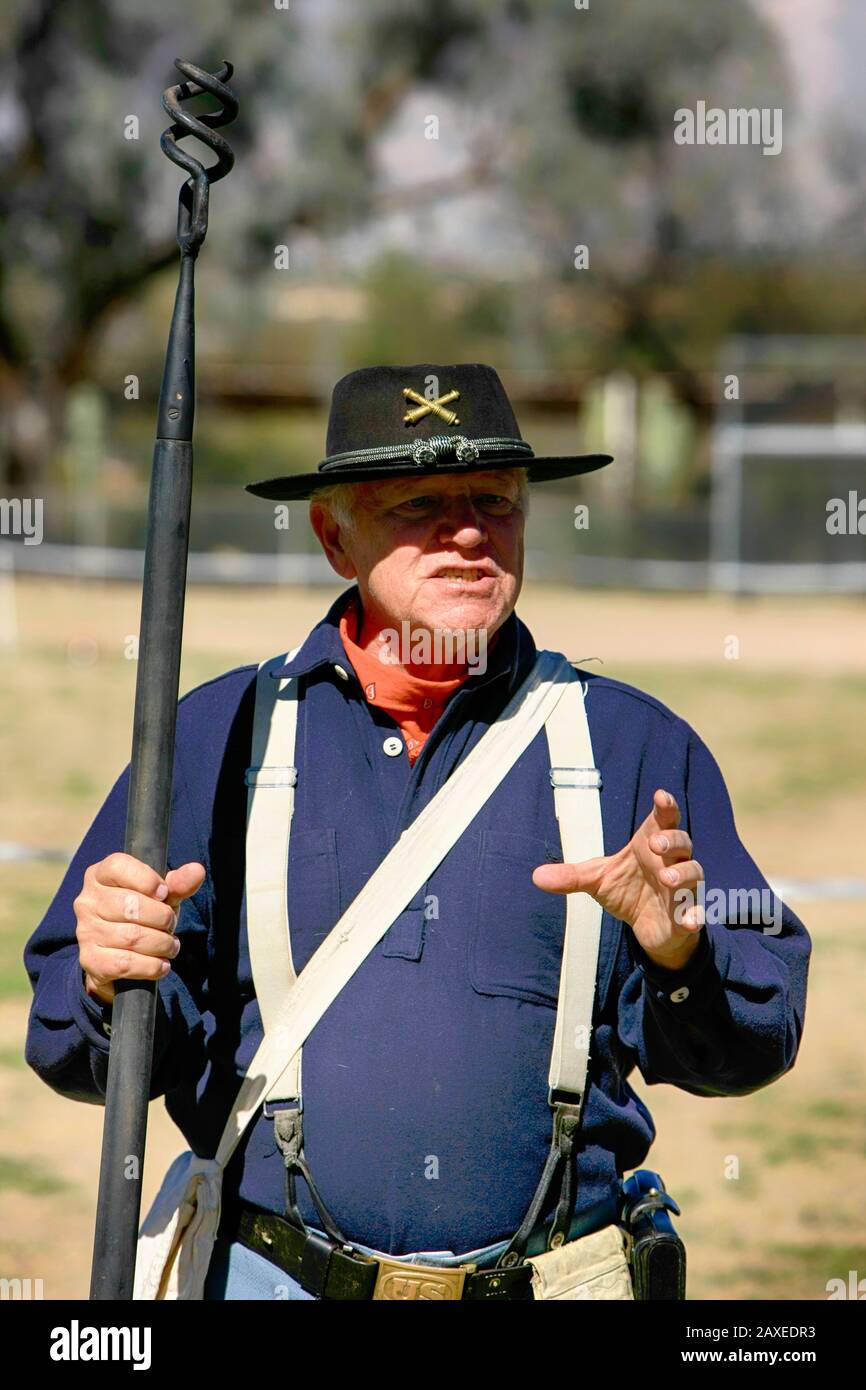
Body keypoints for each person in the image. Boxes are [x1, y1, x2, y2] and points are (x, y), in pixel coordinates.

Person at [23, 362, 811, 1300]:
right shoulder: (214, 736)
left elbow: (756, 1041)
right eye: (419, 504)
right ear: (332, 535)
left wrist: (681, 959)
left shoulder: (636, 747)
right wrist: (110, 982)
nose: (470, 532)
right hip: (267, 1279)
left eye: (494, 499)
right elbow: (74, 1048)